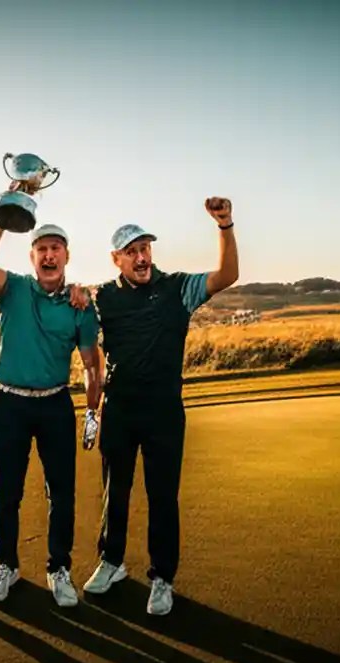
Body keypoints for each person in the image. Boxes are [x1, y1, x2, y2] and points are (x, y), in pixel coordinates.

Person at [83, 197, 239, 616]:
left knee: (162, 496)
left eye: (145, 248)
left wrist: (224, 225)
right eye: (131, 251)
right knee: (115, 490)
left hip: (164, 409)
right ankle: (111, 562)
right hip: (121, 407)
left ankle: (162, 578)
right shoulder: (103, 298)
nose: (141, 256)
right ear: (116, 259)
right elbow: (75, 323)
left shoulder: (177, 288)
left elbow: (228, 274)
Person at [0, 213, 102, 607]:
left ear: (66, 256)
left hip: (55, 404)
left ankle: (58, 568)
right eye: (41, 249)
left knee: (61, 492)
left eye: (55, 249)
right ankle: (6, 565)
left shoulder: (80, 304)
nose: (48, 255)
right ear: (32, 257)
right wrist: (2, 218)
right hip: (10, 403)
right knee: (6, 491)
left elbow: (92, 363)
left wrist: (93, 412)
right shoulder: (13, 288)